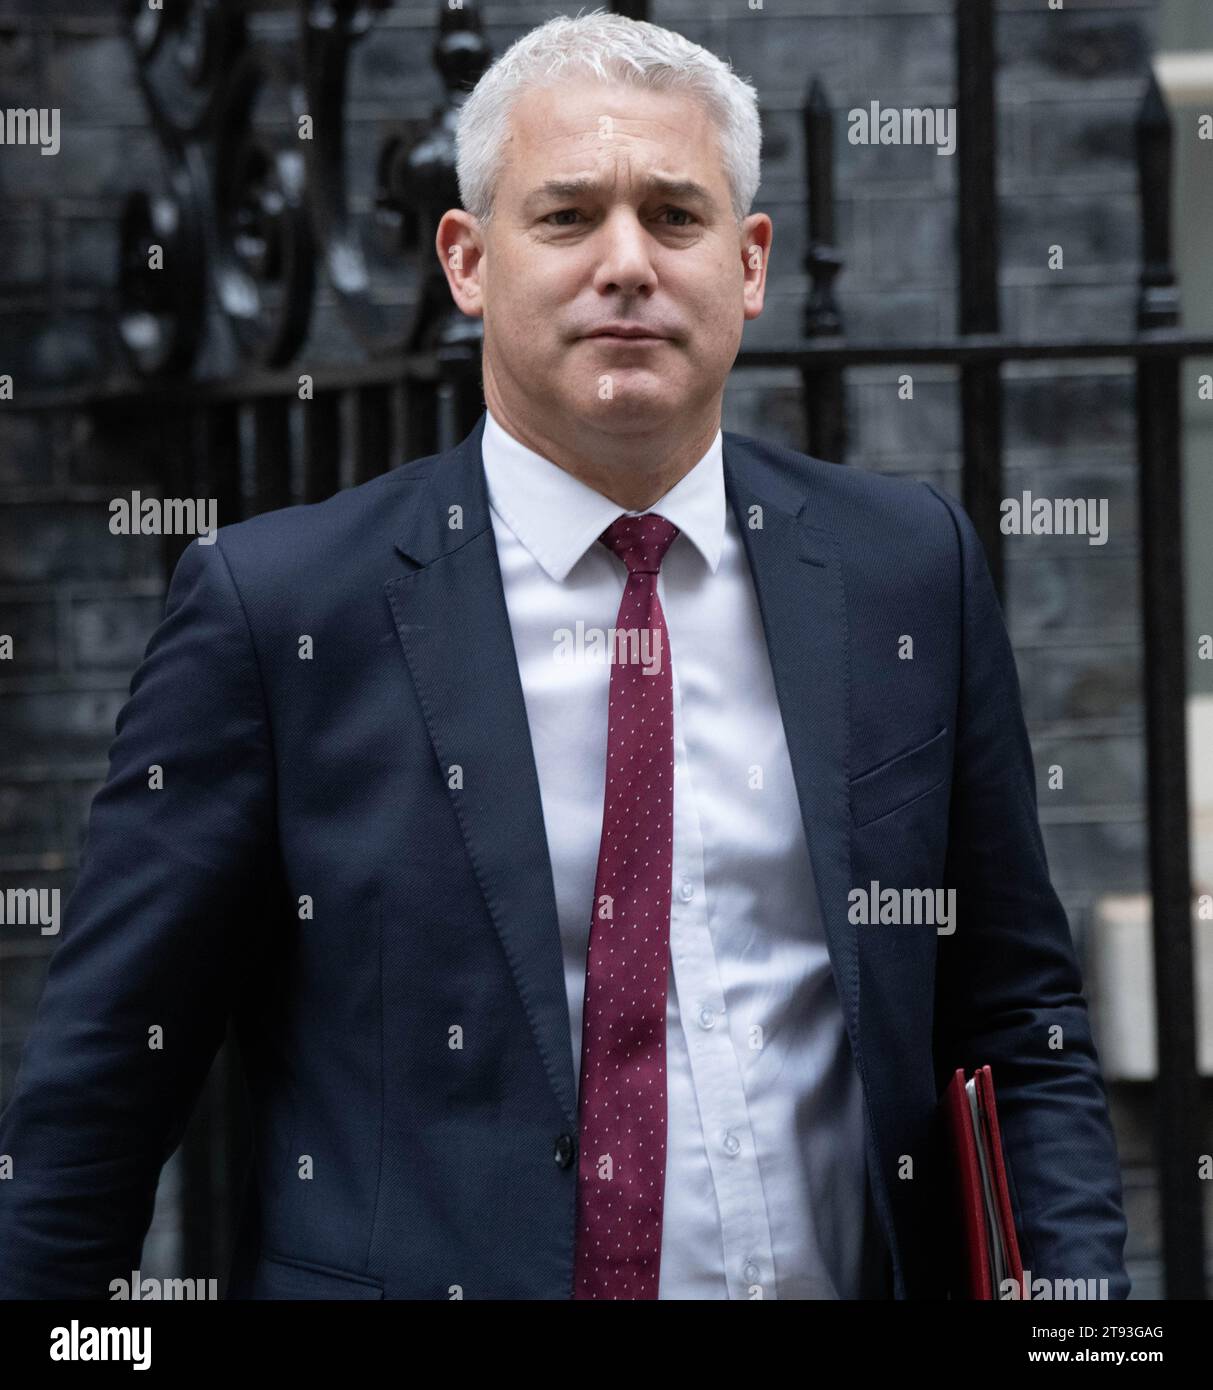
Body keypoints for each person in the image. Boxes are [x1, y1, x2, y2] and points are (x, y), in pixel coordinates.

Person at [0, 10, 1129, 1300]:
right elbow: (102, 1094)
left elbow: (1019, 1018)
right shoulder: (280, 612)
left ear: (751, 264)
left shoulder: (904, 569)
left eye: (675, 216)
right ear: (467, 260)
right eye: (569, 216)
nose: (627, 263)